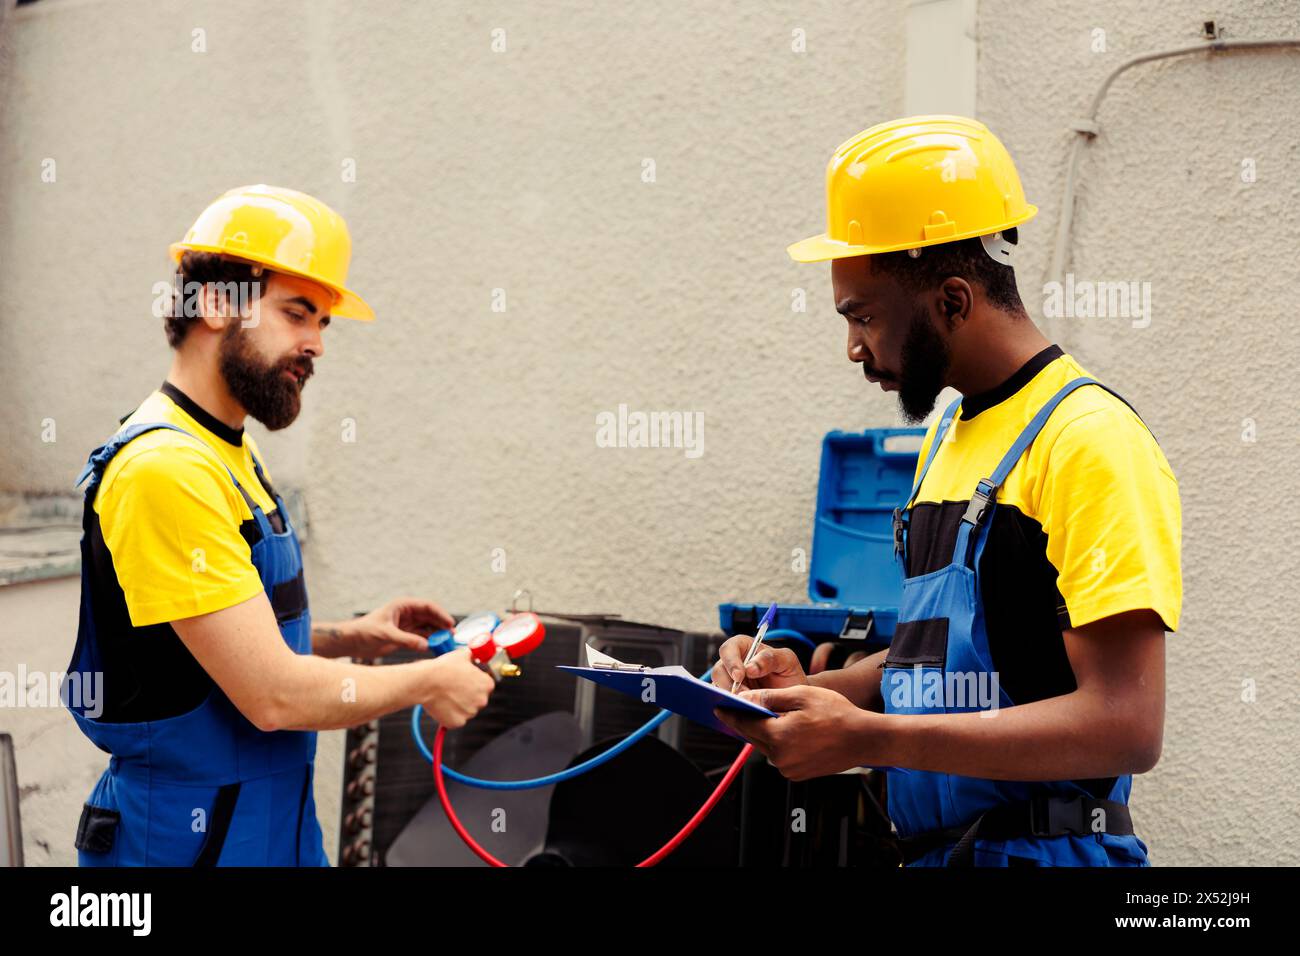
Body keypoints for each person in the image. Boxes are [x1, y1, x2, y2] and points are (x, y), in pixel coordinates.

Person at [714, 117, 1182, 866]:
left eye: (863, 316)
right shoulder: (948, 437)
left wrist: (870, 737)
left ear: (954, 301)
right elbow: (929, 658)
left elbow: (1126, 724)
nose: (853, 349)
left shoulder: (1088, 440)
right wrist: (820, 688)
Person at [65, 185, 495, 866]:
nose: (316, 343)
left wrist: (353, 639)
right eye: (298, 314)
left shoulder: (228, 449)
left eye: (325, 323)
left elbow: (205, 639)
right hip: (185, 842)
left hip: (272, 829)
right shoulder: (165, 469)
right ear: (213, 303)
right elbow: (270, 695)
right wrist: (428, 681)